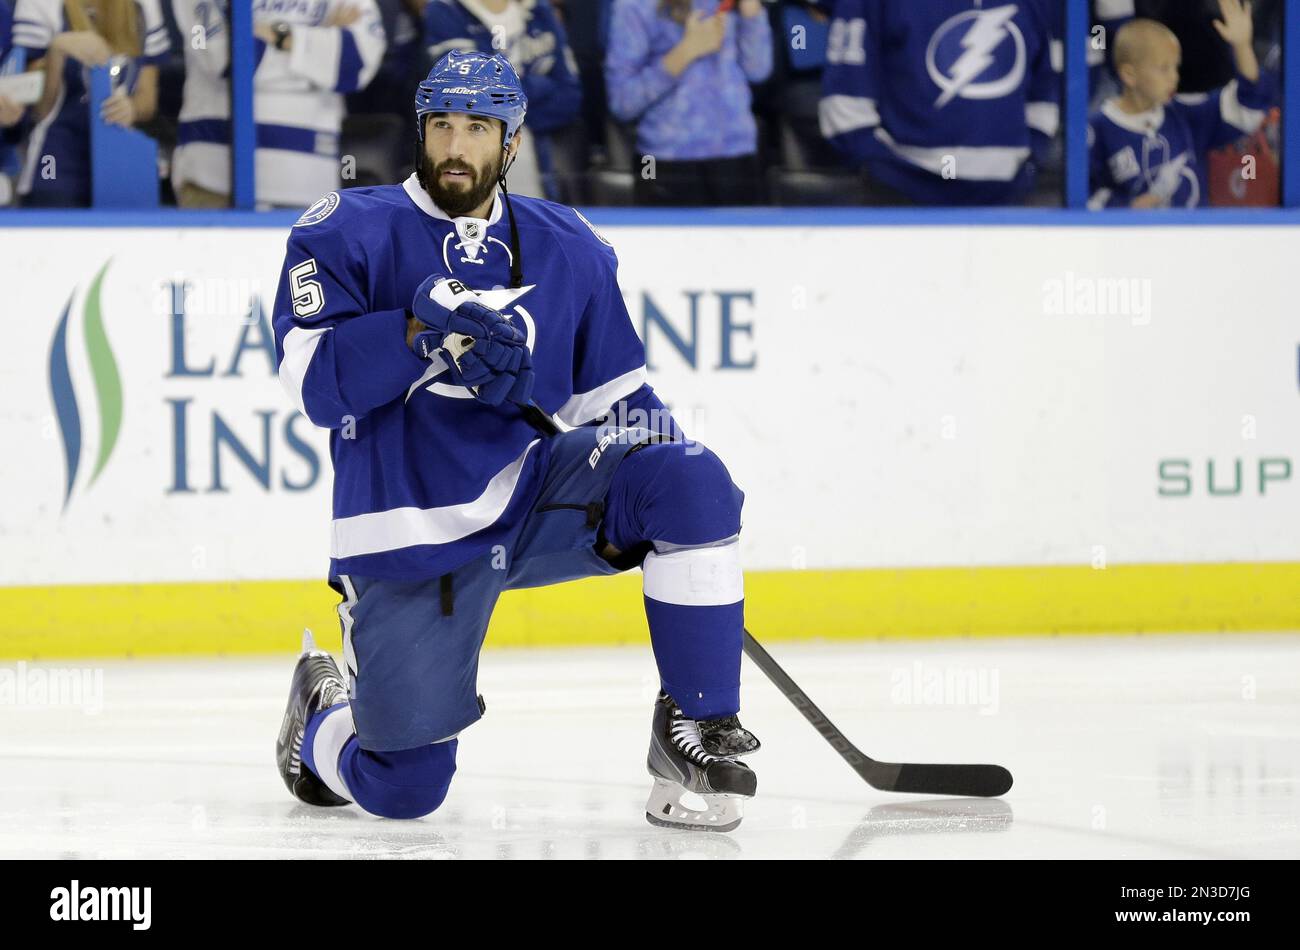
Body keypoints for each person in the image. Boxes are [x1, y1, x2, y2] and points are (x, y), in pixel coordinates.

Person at [270, 50, 760, 831]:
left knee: (691, 475)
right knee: (405, 790)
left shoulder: (567, 244)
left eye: (477, 128)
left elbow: (618, 400)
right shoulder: (347, 230)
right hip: (406, 527)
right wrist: (415, 329)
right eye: (441, 126)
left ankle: (695, 727)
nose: (455, 146)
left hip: (536, 493)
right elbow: (318, 391)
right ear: (420, 132)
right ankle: (321, 717)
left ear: (512, 143)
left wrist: (691, 510)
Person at [819, 0, 1061, 206]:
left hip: (1008, 199)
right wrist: (888, 173)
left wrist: (1028, 167)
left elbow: (1045, 95)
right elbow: (844, 102)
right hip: (901, 198)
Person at [169, 0, 386, 209]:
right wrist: (317, 53)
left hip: (310, 182)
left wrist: (277, 35)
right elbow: (224, 60)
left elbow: (352, 64)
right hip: (213, 179)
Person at [1088, 1, 1270, 209]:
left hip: (1195, 231)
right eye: (1164, 68)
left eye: (1176, 67)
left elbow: (1249, 106)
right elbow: (1084, 200)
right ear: (1129, 75)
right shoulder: (1097, 130)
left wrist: (1242, 46)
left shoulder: (1185, 115)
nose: (1174, 77)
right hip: (1130, 232)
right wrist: (1131, 208)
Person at [605, 0, 772, 206]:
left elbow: (758, 70)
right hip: (662, 160)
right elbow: (623, 101)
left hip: (736, 152)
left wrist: (751, 10)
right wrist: (687, 50)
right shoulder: (634, 6)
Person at [11, 0, 170, 207]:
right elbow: (38, 111)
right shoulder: (40, 4)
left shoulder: (145, 5)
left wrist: (131, 108)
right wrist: (56, 51)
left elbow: (147, 101)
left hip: (120, 160)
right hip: (55, 161)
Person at [421, 0, 581, 200]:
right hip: (473, 154)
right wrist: (541, 86)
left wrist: (508, 113)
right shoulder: (446, 10)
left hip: (542, 153)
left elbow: (569, 95)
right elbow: (470, 95)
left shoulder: (540, 9)